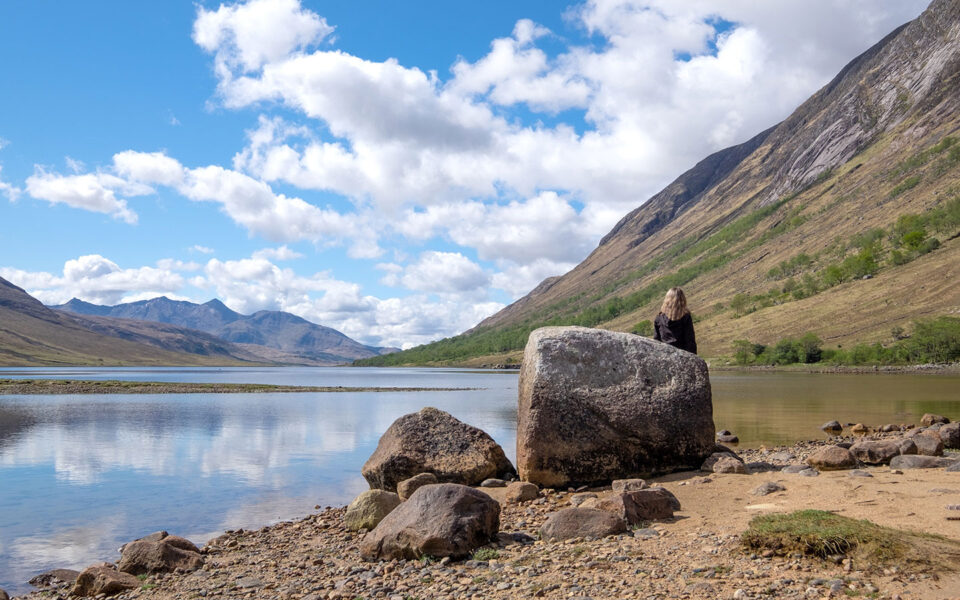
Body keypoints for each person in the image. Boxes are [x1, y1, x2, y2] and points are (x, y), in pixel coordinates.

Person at [653, 287, 697, 354]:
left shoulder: (659, 318)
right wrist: (694, 358)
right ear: (682, 299)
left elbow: (656, 341)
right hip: (682, 355)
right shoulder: (685, 317)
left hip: (664, 354)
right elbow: (690, 340)